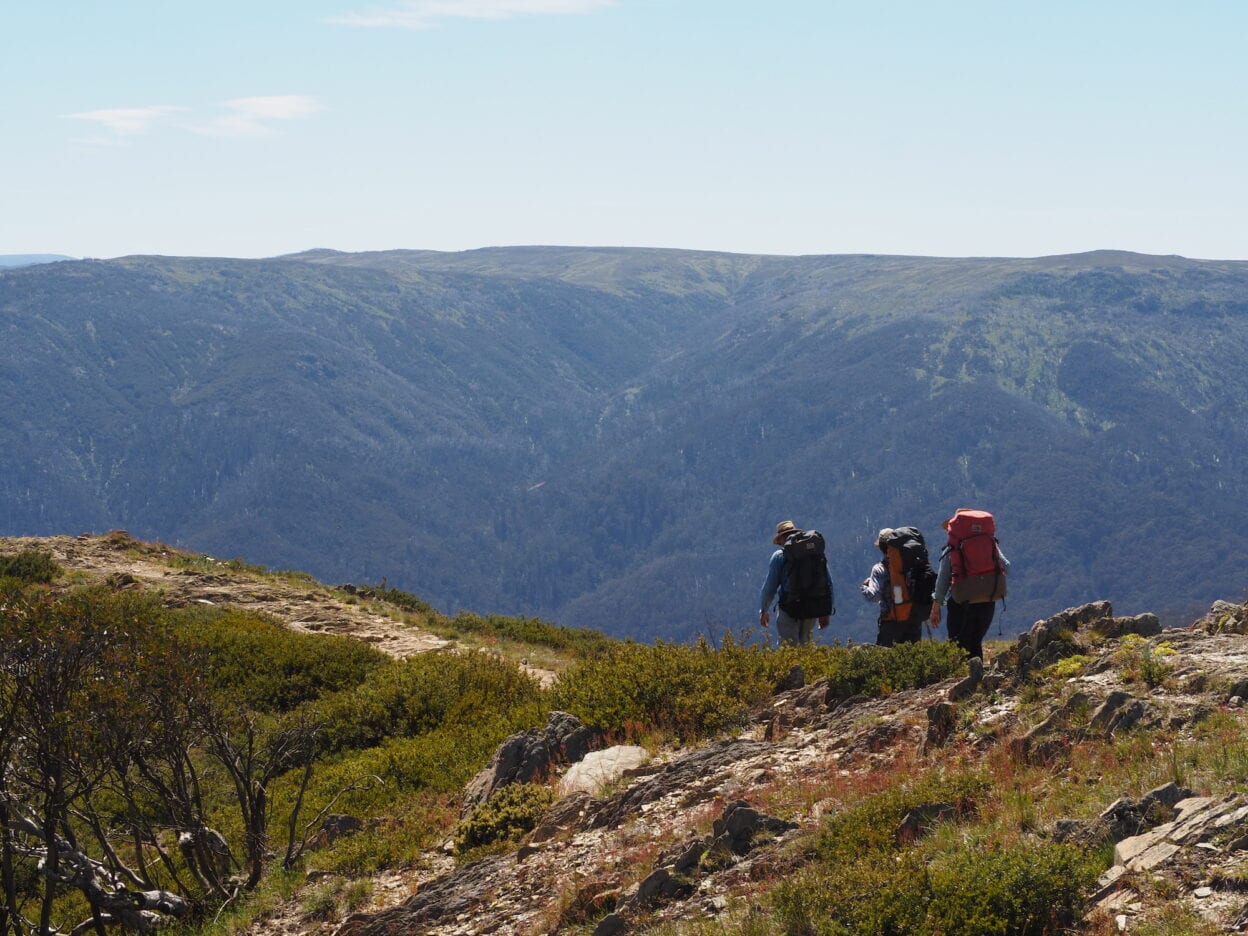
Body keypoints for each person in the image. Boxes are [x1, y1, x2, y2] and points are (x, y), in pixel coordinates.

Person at [929, 509, 1010, 660]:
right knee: (975, 642)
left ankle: (963, 677)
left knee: (959, 644)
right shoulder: (990, 543)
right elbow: (1006, 565)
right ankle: (978, 677)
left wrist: (936, 607)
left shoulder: (952, 548)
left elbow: (943, 578)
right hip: (988, 599)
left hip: (962, 601)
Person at [759, 520, 831, 646]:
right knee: (806, 646)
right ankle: (808, 666)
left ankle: (794, 666)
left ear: (781, 539)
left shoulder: (779, 556)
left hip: (789, 608)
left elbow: (770, 587)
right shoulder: (814, 554)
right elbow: (828, 583)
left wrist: (764, 610)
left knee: (789, 650)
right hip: (812, 607)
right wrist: (825, 611)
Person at [860, 527, 931, 646]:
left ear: (881, 547)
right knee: (912, 659)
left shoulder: (879, 569)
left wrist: (864, 587)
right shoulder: (911, 566)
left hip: (890, 622)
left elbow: (874, 596)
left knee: (887, 660)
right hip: (913, 619)